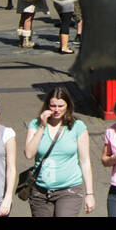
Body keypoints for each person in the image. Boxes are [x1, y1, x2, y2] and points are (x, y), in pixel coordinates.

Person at [25, 87, 94, 216]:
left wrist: (90, 194)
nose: (57, 110)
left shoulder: (77, 126)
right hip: (40, 191)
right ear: (47, 105)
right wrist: (41, 127)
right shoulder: (35, 125)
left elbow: (85, 161)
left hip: (69, 190)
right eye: (53, 106)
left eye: (61, 106)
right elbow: (29, 154)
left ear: (68, 106)